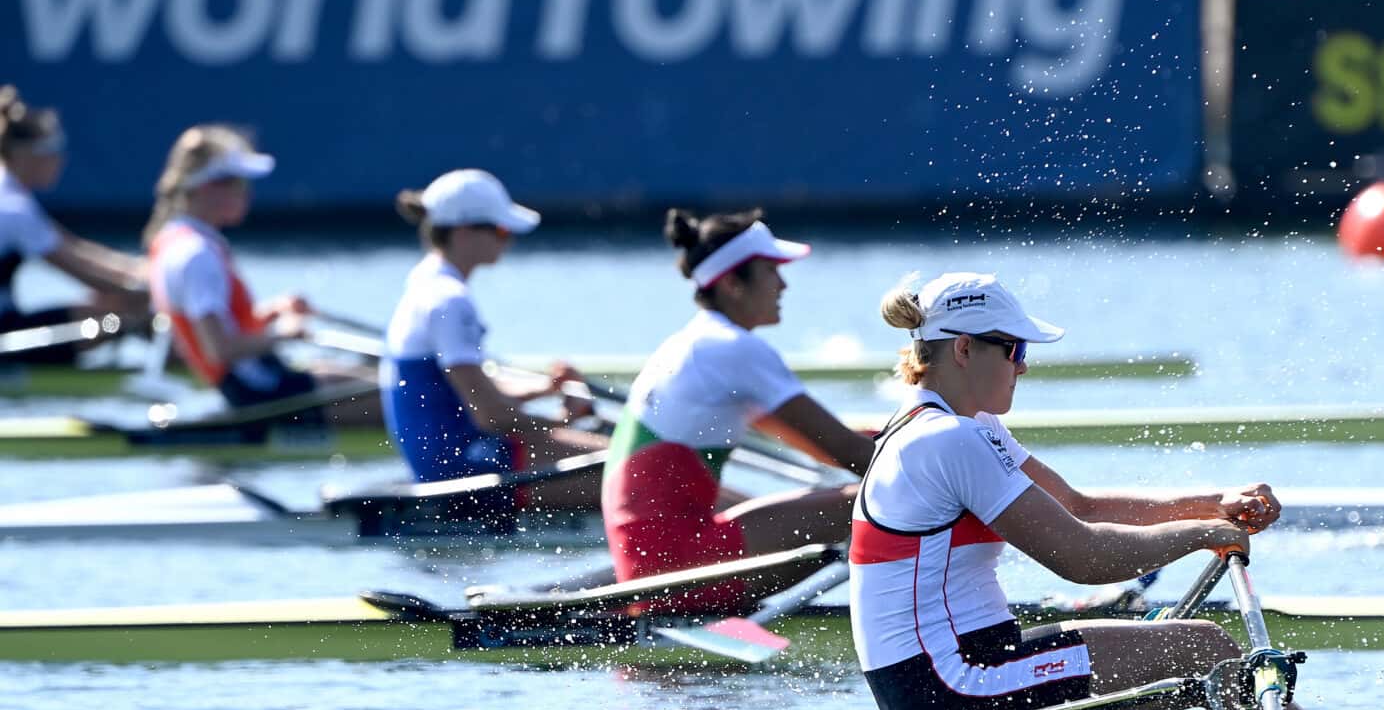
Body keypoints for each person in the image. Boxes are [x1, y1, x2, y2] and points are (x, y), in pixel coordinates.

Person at [852, 270, 1366, 710]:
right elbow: (1084, 558)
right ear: (963, 349)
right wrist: (1201, 535)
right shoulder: (947, 440)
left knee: (1194, 657)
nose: (1023, 367)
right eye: (1014, 349)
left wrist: (1214, 504)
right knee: (1201, 647)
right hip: (954, 689)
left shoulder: (960, 427)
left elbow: (1081, 508)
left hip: (956, 674)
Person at [603, 208, 873, 609]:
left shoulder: (696, 342)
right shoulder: (732, 348)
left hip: (649, 561)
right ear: (732, 283)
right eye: (771, 271)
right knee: (880, 500)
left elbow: (825, 441)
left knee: (873, 491)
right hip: (673, 569)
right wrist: (950, 477)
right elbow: (849, 454)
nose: (783, 285)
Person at [381, 170, 602, 507]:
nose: (508, 239)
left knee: (630, 459)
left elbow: (469, 385)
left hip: (449, 459)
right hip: (466, 471)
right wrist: (564, 421)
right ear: (464, 232)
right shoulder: (449, 300)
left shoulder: (425, 282)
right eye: (500, 230)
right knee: (646, 466)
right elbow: (491, 416)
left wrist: (545, 388)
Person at [144, 124, 376, 422]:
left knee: (377, 379)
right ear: (208, 187)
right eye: (240, 184)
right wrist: (281, 331)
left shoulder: (178, 239)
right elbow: (219, 349)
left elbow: (225, 327)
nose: (248, 194)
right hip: (264, 398)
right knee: (412, 396)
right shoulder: (195, 255)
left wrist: (271, 313)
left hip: (260, 383)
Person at [0, 86, 147, 340]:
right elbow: (81, 271)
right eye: (50, 153)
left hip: (9, 325)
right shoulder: (12, 208)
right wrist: (144, 293)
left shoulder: (12, 196)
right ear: (21, 155)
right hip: (7, 340)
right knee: (116, 320)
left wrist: (140, 270)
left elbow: (76, 248)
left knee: (117, 308)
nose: (60, 161)